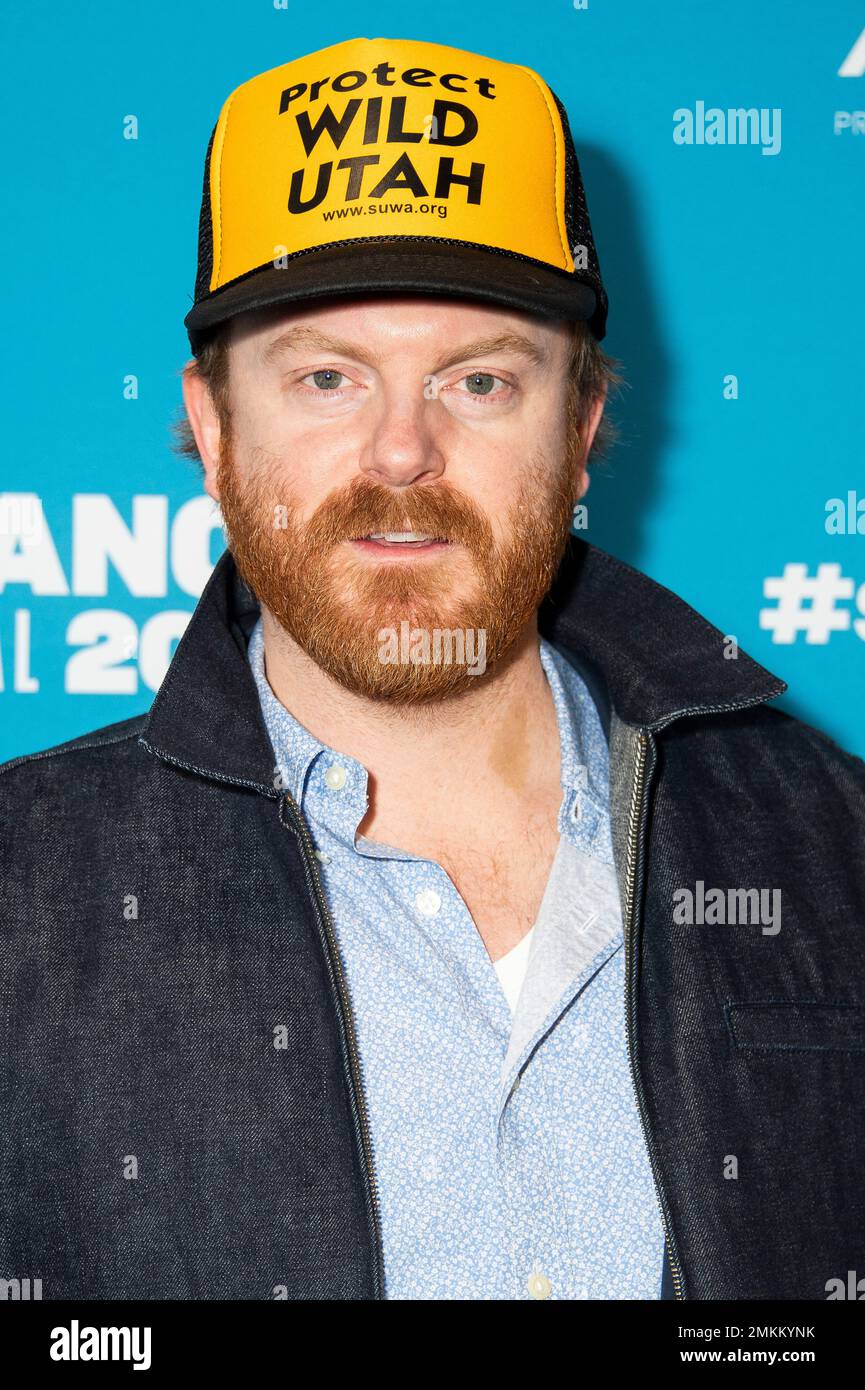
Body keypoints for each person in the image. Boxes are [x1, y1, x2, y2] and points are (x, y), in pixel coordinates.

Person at [2, 36, 863, 1303]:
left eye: (478, 378)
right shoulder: (24, 896)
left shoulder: (831, 848)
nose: (402, 450)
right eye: (327, 376)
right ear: (211, 425)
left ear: (577, 432)